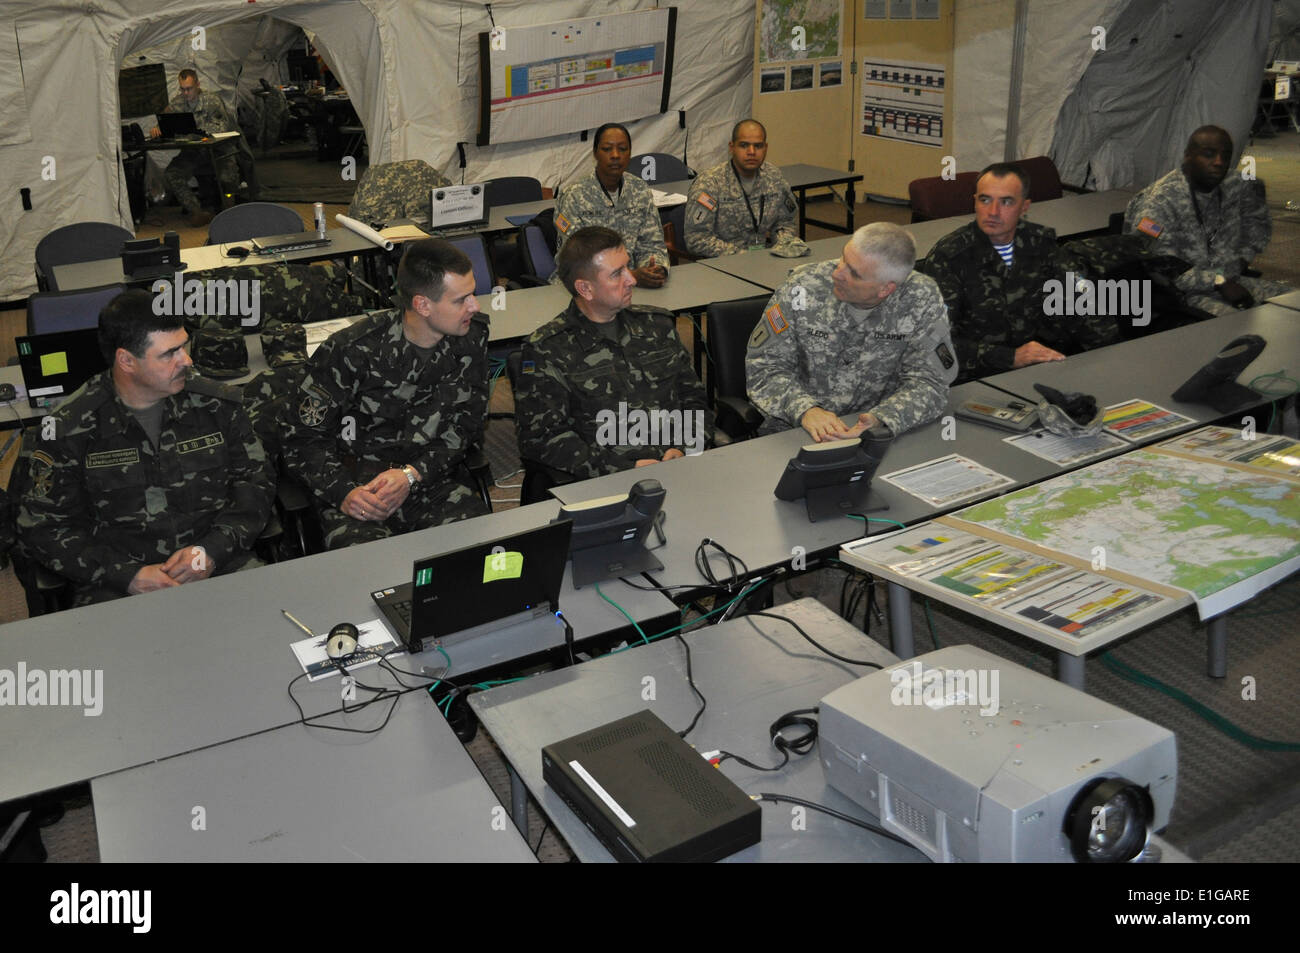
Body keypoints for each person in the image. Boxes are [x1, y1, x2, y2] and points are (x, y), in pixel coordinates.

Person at [17, 289, 274, 605]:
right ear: (126, 360)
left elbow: (256, 483)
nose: (187, 360)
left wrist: (212, 550)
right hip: (114, 587)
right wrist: (126, 575)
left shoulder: (216, 405)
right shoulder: (69, 429)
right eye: (169, 353)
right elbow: (43, 528)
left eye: (184, 345)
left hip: (219, 565)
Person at [280, 239, 489, 549]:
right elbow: (301, 439)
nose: (476, 306)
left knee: (484, 553)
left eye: (473, 294)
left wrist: (413, 474)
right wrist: (343, 493)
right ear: (422, 305)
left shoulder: (471, 337)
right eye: (462, 299)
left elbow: (467, 424)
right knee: (369, 574)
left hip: (427, 481)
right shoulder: (352, 351)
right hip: (358, 490)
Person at [516, 226, 713, 481]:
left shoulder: (657, 325)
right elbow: (543, 438)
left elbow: (694, 399)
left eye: (627, 267)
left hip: (678, 468)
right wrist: (622, 470)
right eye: (616, 274)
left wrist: (685, 447)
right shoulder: (547, 349)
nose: (631, 279)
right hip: (605, 481)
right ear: (585, 289)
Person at [746, 222, 957, 440]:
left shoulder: (921, 297)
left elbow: (931, 382)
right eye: (843, 259)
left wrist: (881, 418)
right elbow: (764, 367)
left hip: (875, 434)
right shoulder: (802, 287)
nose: (838, 273)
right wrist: (806, 410)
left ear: (886, 289)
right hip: (795, 430)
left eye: (854, 273)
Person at [917, 163, 1117, 382]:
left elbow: (1086, 309)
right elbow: (932, 341)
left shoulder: (1042, 246)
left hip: (1040, 368)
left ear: (1024, 206)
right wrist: (1009, 357)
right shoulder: (950, 258)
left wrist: (1112, 360)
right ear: (974, 201)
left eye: (1006, 202)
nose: (993, 212)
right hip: (974, 376)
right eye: (985, 200)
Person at [1124, 125, 1290, 315]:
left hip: (1229, 281)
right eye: (1209, 154)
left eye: (1225, 155)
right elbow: (1157, 265)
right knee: (1239, 324)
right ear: (1188, 156)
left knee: (1292, 301)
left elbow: (1258, 226)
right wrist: (1220, 282)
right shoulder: (1159, 203)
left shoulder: (1238, 185)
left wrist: (1241, 260)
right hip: (1181, 294)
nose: (1219, 162)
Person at [554, 123, 669, 287]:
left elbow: (653, 245)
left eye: (622, 149)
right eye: (607, 149)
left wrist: (655, 269)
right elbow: (577, 260)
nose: (615, 155)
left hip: (635, 285)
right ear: (595, 153)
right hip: (584, 288)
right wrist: (628, 275)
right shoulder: (574, 196)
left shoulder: (639, 190)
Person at [685, 119, 804, 258]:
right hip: (724, 263)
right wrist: (743, 256)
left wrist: (784, 243)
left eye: (758, 146)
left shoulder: (773, 177)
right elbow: (696, 239)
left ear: (766, 147)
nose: (751, 152)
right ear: (732, 147)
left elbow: (785, 221)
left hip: (765, 258)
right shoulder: (710, 184)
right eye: (744, 145)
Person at [149, 69, 240, 227]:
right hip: (195, 152)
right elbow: (165, 119)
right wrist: (158, 128)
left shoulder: (212, 101)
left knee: (227, 179)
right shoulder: (178, 102)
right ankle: (197, 212)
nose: (185, 93)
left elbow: (222, 128)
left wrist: (193, 130)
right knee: (172, 173)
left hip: (219, 151)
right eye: (182, 89)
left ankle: (229, 212)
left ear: (197, 85)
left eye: (189, 88)